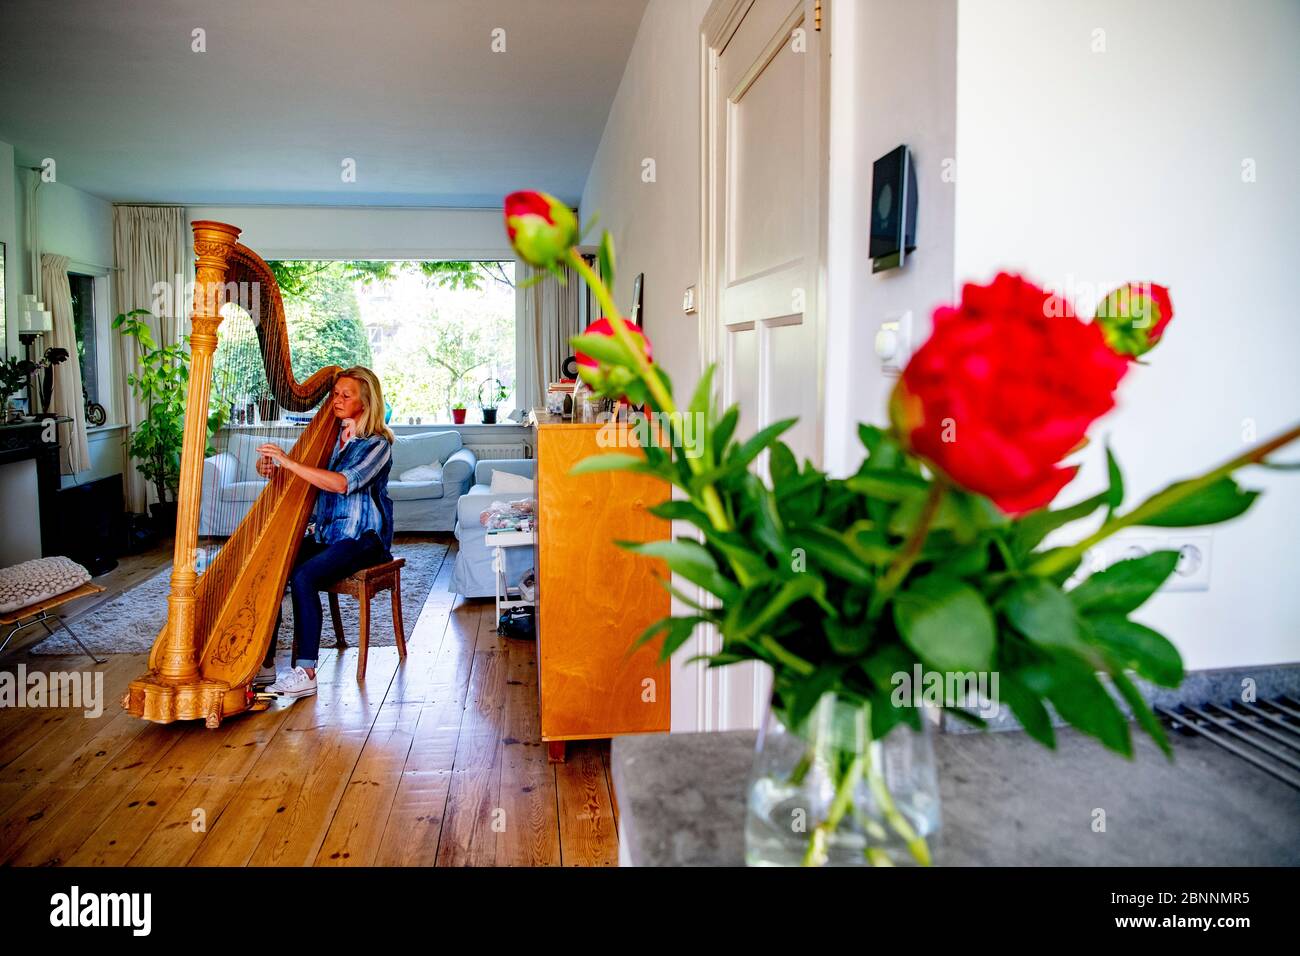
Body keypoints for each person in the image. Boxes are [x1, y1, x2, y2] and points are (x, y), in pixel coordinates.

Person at [253, 366, 395, 699]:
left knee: (304, 577)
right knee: (271, 566)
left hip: (364, 540)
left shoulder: (378, 444)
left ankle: (306, 672)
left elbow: (343, 484)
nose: (337, 400)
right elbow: (308, 483)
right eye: (335, 394)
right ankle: (263, 661)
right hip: (329, 535)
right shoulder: (330, 439)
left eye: (347, 395)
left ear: (366, 401)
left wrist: (289, 463)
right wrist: (272, 470)